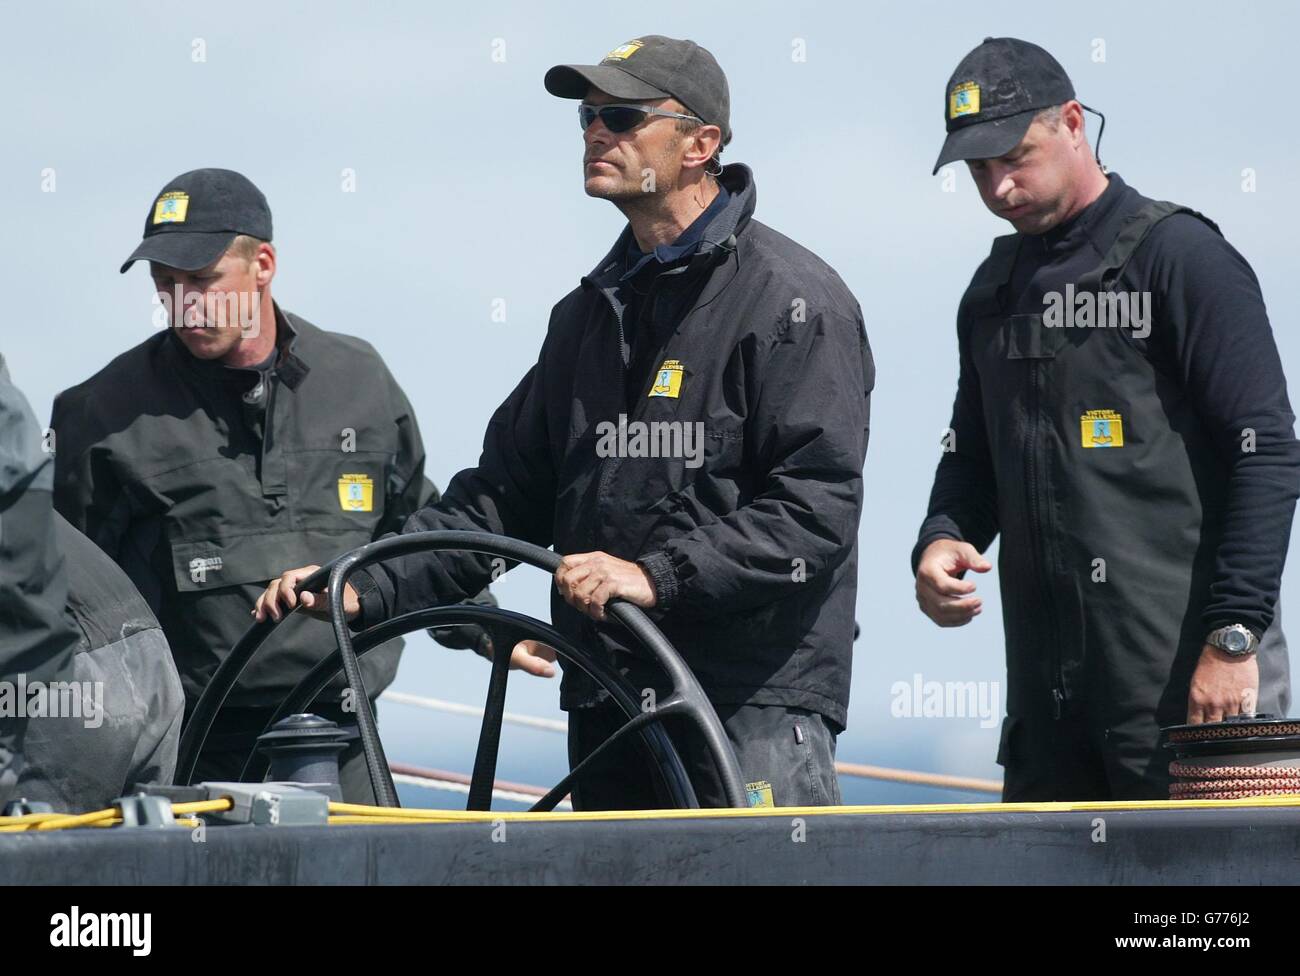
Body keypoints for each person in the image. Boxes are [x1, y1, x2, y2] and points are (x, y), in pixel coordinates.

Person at [258, 35, 874, 809]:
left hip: (750, 704)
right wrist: (365, 587)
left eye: (620, 115)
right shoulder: (585, 318)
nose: (594, 133)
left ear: (701, 144)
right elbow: (498, 496)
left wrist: (656, 576)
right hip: (609, 700)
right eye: (587, 117)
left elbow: (815, 514)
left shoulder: (794, 301)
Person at [913, 37, 1300, 800]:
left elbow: (1270, 453)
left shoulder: (1182, 258)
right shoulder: (990, 292)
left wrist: (1234, 638)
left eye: (1013, 156)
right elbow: (973, 456)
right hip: (1049, 710)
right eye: (978, 169)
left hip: (1196, 692)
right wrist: (942, 536)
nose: (998, 185)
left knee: (1196, 926)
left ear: (1071, 122)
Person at [51, 169, 495, 802]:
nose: (184, 303)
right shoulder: (97, 415)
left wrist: (481, 623)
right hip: (190, 749)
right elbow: (60, 599)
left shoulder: (359, 378)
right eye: (164, 284)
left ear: (262, 264)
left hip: (344, 737)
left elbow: (411, 523)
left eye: (202, 280)